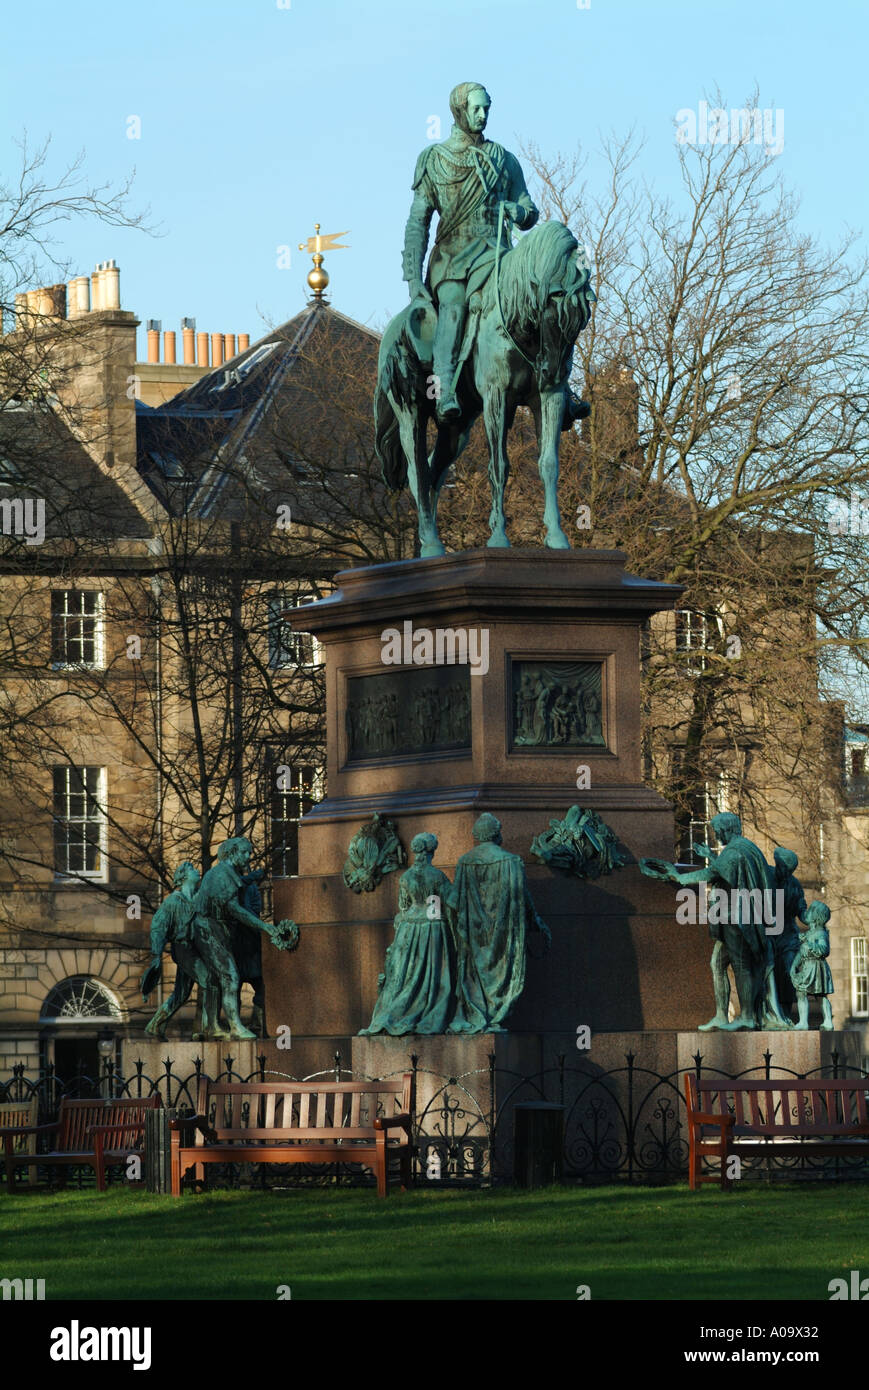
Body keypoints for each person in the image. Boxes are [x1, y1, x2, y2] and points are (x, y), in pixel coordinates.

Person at [402, 82, 539, 422]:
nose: (483, 115)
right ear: (459, 111)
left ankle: (555, 382)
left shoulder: (503, 160)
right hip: (452, 261)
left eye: (487, 109)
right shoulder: (434, 160)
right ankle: (444, 389)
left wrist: (518, 212)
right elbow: (418, 222)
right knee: (453, 306)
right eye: (476, 109)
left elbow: (529, 209)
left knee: (538, 299)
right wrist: (413, 277)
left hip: (496, 257)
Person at [449, 813, 550, 1033]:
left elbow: (453, 901)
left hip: (474, 933)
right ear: (497, 833)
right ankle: (496, 1012)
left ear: (477, 835)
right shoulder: (511, 861)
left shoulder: (465, 862)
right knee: (502, 967)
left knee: (473, 970)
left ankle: (477, 1011)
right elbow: (522, 897)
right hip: (504, 932)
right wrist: (536, 920)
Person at [360, 833, 456, 1036]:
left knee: (405, 976)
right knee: (427, 977)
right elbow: (451, 902)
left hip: (408, 929)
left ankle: (393, 1013)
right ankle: (420, 1011)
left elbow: (403, 906)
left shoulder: (406, 877)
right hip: (431, 929)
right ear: (431, 852)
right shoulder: (437, 877)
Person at [791, 901, 834, 1030]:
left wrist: (810, 945)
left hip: (816, 967)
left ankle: (827, 1021)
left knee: (820, 996)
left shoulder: (821, 933)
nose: (806, 914)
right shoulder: (808, 933)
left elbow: (824, 950)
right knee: (801, 993)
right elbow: (800, 953)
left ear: (816, 916)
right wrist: (794, 965)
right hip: (807, 966)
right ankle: (803, 1022)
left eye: (809, 912)